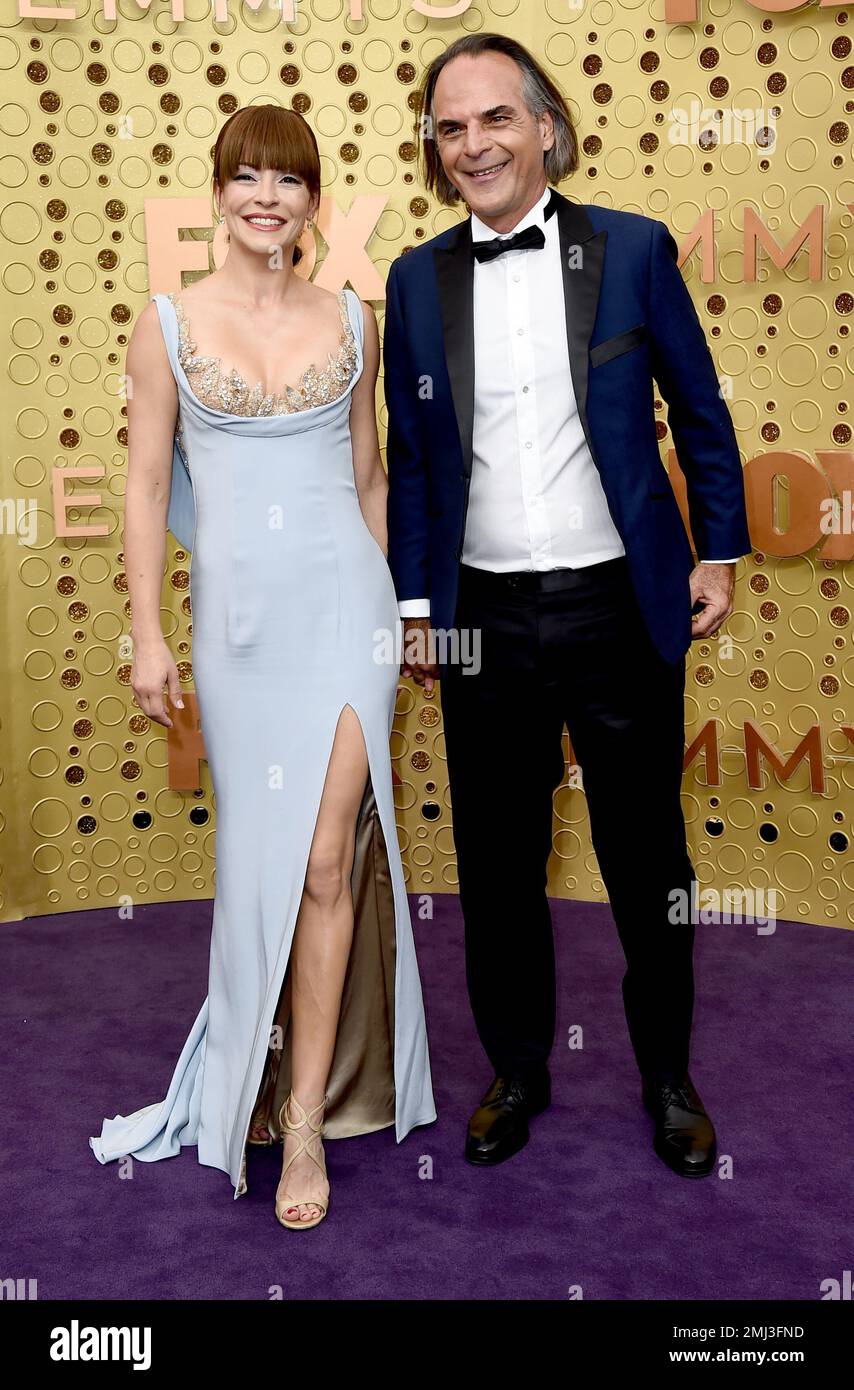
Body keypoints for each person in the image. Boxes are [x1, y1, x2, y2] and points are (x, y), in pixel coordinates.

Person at [383, 34, 751, 1178]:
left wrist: (719, 551)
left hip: (616, 602)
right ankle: (517, 1069)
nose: (474, 144)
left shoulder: (631, 250)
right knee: (496, 864)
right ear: (436, 152)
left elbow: (697, 409)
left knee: (648, 863)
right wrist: (412, 605)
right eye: (451, 129)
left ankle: (667, 1077)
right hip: (479, 613)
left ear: (543, 125)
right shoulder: (414, 278)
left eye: (495, 118)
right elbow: (413, 463)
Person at [90, 104, 436, 1228]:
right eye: (244, 177)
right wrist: (145, 630)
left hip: (347, 609)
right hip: (237, 628)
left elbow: (371, 475)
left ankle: (301, 1124)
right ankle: (239, 1063)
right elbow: (146, 491)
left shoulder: (352, 317)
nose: (265, 198)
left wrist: (403, 610)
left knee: (330, 857)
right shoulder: (164, 326)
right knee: (260, 861)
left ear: (311, 200)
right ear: (217, 192)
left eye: (285, 181)